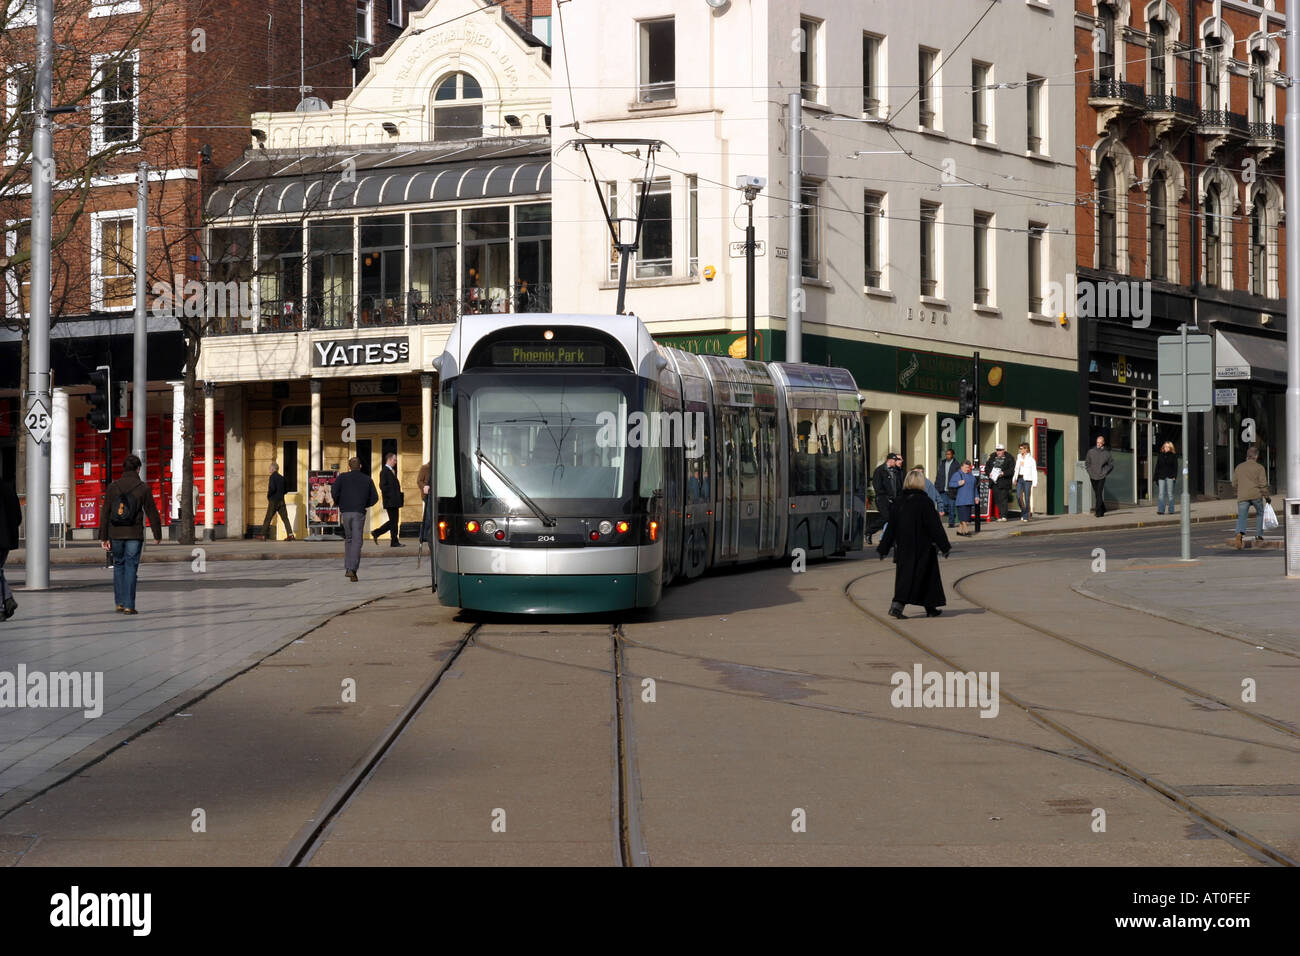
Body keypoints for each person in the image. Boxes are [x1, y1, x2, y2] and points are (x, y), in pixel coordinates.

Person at [877, 468, 951, 619]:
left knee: (906, 576)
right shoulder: (925, 502)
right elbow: (935, 526)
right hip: (924, 547)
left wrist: (884, 548)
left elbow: (891, 527)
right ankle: (899, 606)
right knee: (927, 576)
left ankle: (928, 607)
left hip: (904, 546)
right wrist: (944, 546)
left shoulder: (898, 502)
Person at [98, 454, 163, 614]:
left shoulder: (113, 487)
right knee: (131, 567)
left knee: (119, 564)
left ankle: (119, 603)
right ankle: (129, 605)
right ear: (138, 469)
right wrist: (157, 534)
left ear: (124, 469)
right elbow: (152, 512)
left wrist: (103, 536)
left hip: (116, 532)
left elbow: (105, 512)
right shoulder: (143, 488)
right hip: (134, 533)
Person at [333, 458, 379, 581]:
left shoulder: (342, 478)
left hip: (345, 512)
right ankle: (352, 569)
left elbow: (334, 491)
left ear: (349, 467)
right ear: (361, 466)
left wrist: (339, 502)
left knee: (349, 539)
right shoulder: (367, 479)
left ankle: (348, 567)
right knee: (357, 541)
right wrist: (364, 504)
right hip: (358, 512)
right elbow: (375, 498)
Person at [1232, 445, 1270, 549]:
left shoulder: (1239, 467)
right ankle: (1258, 535)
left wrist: (1238, 491)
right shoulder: (1259, 468)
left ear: (1247, 456)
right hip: (1256, 495)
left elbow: (1234, 483)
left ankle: (1239, 533)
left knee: (1242, 516)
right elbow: (1263, 485)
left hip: (1242, 496)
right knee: (1260, 513)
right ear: (1256, 456)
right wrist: (1267, 497)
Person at [372, 452, 405, 547]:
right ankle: (393, 541)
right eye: (394, 460)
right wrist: (391, 496)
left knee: (393, 521)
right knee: (394, 522)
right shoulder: (385, 471)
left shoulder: (391, 471)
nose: (395, 462)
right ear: (389, 460)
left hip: (394, 501)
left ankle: (378, 533)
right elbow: (383, 486)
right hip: (390, 501)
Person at [868, 453, 900, 543]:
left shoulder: (895, 471)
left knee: (893, 519)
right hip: (882, 498)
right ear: (889, 460)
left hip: (893, 499)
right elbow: (877, 486)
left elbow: (898, 485)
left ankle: (889, 538)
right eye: (895, 460)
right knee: (886, 517)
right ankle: (869, 531)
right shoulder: (880, 470)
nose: (896, 462)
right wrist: (885, 495)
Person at [0, 475, 19, 621]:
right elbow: (17, 517)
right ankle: (7, 600)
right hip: (5, 541)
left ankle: (4, 603)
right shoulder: (8, 488)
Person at [261, 462, 294, 541]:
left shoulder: (272, 477)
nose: (269, 469)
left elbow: (272, 488)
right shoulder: (282, 478)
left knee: (268, 518)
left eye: (270, 468)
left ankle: (263, 535)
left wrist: (269, 495)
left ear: (273, 469)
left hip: (273, 500)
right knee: (285, 518)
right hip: (281, 500)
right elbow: (286, 490)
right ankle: (290, 535)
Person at [1085, 435, 1114, 517]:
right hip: (1093, 476)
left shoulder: (1107, 453)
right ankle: (1103, 508)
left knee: (1099, 492)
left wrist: (1105, 472)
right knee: (1097, 494)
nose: (1098, 444)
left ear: (1103, 443)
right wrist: (1090, 472)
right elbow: (1087, 463)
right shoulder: (1091, 452)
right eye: (1097, 442)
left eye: (1100, 443)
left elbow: (1111, 465)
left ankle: (1098, 512)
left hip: (1101, 476)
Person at [985, 443, 1014, 522]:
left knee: (1003, 498)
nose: (998, 452)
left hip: (1004, 481)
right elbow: (987, 467)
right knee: (997, 499)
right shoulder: (992, 457)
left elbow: (1011, 470)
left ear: (1004, 450)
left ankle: (1004, 516)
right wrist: (989, 473)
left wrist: (1003, 473)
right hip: (994, 481)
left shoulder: (1009, 458)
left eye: (1000, 450)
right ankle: (1000, 515)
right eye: (997, 450)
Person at [949, 460, 976, 536]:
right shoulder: (957, 474)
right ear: (961, 467)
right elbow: (950, 484)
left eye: (969, 467)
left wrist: (976, 496)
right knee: (963, 517)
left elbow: (974, 488)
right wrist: (958, 483)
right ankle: (967, 531)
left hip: (969, 500)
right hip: (961, 500)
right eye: (966, 467)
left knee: (966, 517)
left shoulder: (971, 475)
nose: (967, 469)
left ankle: (959, 531)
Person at [1012, 442, 1038, 522]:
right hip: (1019, 479)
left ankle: (1026, 515)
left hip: (1027, 480)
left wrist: (1035, 482)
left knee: (1027, 498)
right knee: (1018, 496)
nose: (1020, 450)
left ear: (1026, 449)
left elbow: (1034, 471)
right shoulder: (1019, 457)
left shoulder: (1031, 459)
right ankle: (1024, 511)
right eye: (1020, 448)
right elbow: (1016, 469)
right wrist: (1014, 478)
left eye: (1022, 448)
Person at [936, 448, 959, 528]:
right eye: (946, 454)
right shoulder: (942, 463)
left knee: (951, 506)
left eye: (949, 454)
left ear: (953, 455)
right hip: (942, 488)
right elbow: (938, 475)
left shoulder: (956, 465)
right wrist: (937, 486)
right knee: (945, 505)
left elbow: (958, 477)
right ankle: (952, 516)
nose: (947, 456)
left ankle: (951, 523)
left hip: (952, 489)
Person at [1154, 441, 1178, 515]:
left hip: (1170, 476)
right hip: (1161, 476)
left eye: (1168, 447)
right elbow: (1157, 467)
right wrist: (1156, 477)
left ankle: (1171, 510)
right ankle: (1161, 510)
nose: (1166, 448)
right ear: (1163, 447)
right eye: (1165, 446)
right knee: (1161, 494)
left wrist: (1174, 476)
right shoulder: (1160, 455)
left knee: (1170, 494)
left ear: (1170, 448)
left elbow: (1175, 467)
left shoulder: (1173, 455)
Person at [417, 459, 433, 545]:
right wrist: (425, 487)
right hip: (428, 495)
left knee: (430, 516)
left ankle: (427, 535)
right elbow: (419, 481)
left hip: (435, 496)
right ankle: (423, 536)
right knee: (428, 516)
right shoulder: (425, 468)